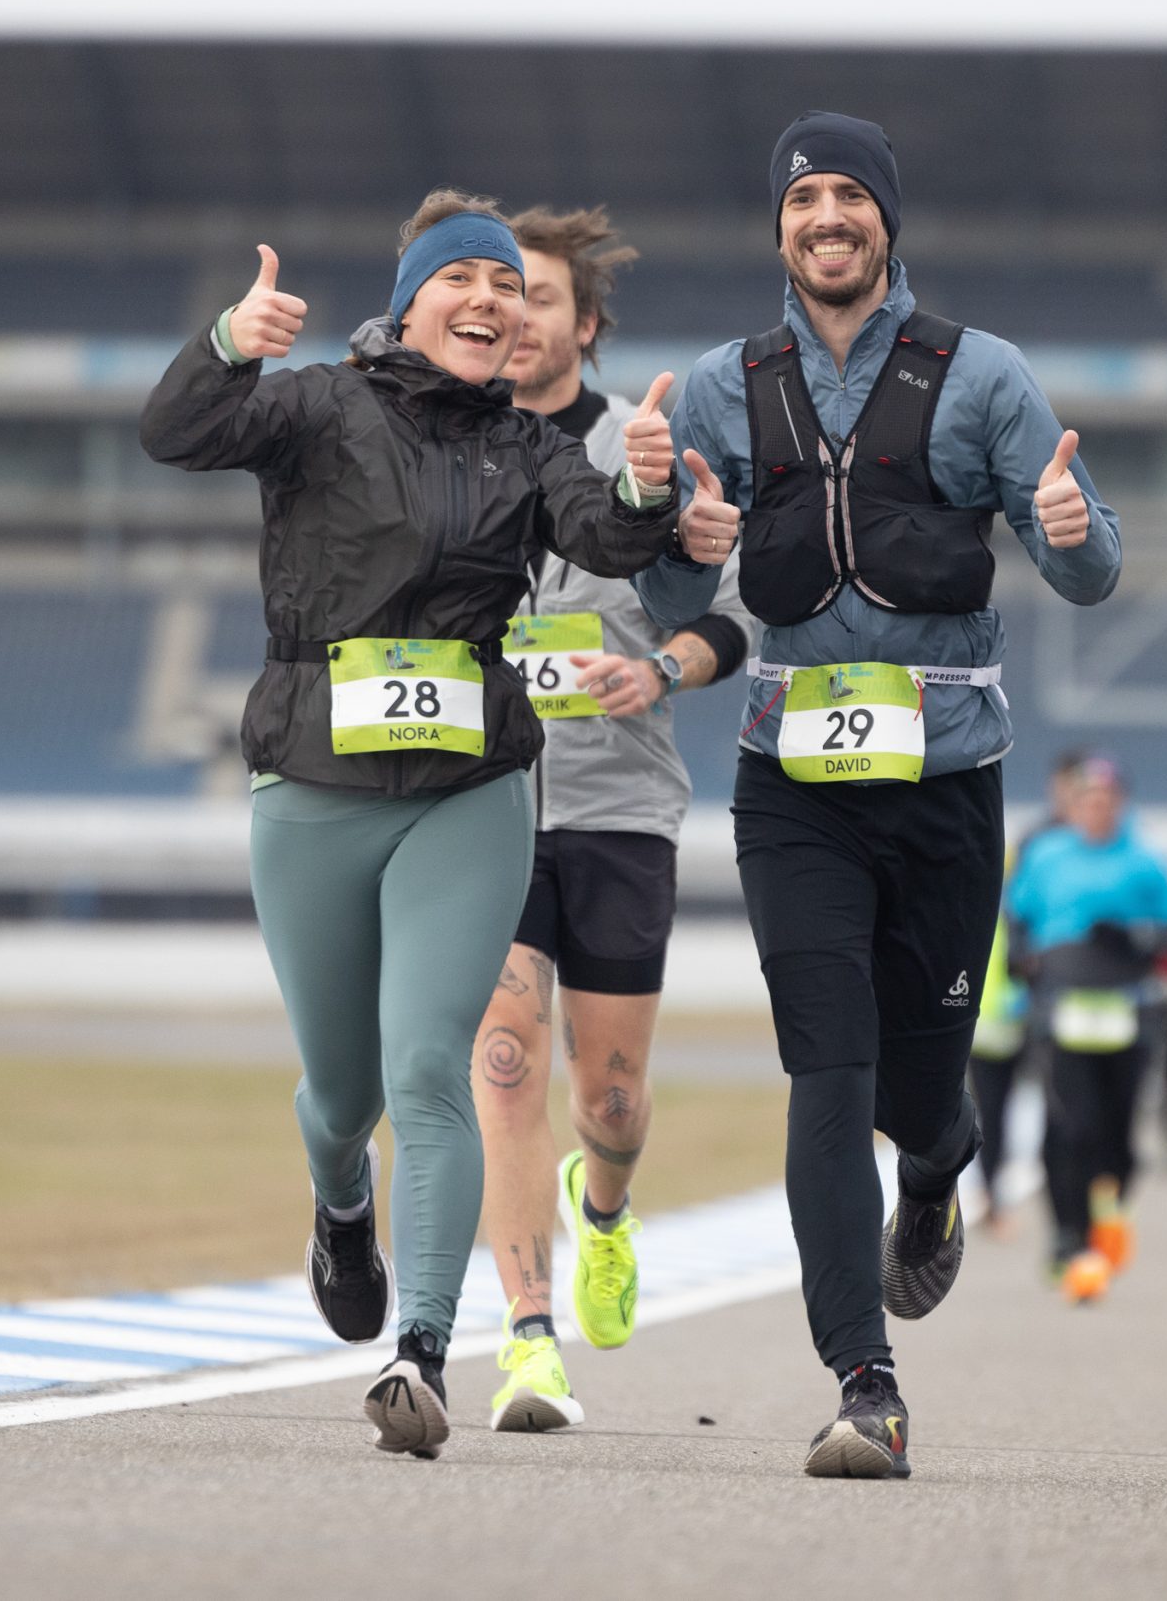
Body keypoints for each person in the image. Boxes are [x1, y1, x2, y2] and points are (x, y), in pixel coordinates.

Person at [138, 192, 720, 1461]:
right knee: (342, 1096)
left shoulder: (526, 448)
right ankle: (339, 1204)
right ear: (411, 301)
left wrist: (643, 482)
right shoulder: (316, 405)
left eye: (510, 290)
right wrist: (232, 342)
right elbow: (175, 431)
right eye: (466, 280)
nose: (493, 303)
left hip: (470, 791)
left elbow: (605, 533)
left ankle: (422, 1352)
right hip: (315, 785)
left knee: (434, 1074)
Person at [638, 111, 1121, 1478]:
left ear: (887, 222)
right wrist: (681, 540)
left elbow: (1089, 567)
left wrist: (1077, 534)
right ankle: (866, 1377)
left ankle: (938, 1174)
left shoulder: (984, 377)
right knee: (827, 1069)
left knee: (924, 1093)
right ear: (778, 227)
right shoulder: (724, 385)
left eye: (852, 196)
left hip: (948, 785)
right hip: (791, 782)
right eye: (805, 200)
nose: (828, 218)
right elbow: (672, 590)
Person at [468, 206, 756, 1434]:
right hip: (477, 801)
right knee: (504, 1061)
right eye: (497, 292)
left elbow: (734, 618)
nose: (513, 314)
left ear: (584, 323)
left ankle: (606, 1210)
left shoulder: (646, 451)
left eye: (536, 294)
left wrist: (665, 670)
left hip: (620, 807)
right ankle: (529, 1341)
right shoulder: (446, 441)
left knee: (612, 1097)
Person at [1006, 757, 1167, 1299]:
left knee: (1119, 1133)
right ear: (1072, 805)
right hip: (1062, 1007)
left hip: (1127, 1008)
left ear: (1121, 806)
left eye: (1107, 801)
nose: (1096, 809)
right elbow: (1016, 917)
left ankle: (1109, 1212)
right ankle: (1070, 1236)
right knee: (1071, 1125)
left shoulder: (1146, 861)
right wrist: (1021, 959)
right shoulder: (1044, 855)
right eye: (1087, 800)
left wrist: (1139, 938)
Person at [967, 749, 1092, 1237]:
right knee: (992, 1107)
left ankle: (1060, 1202)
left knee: (1059, 1104)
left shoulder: (1108, 851)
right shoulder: (1029, 845)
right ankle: (992, 1197)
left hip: (1061, 1001)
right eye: (1069, 787)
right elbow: (1007, 917)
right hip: (1005, 998)